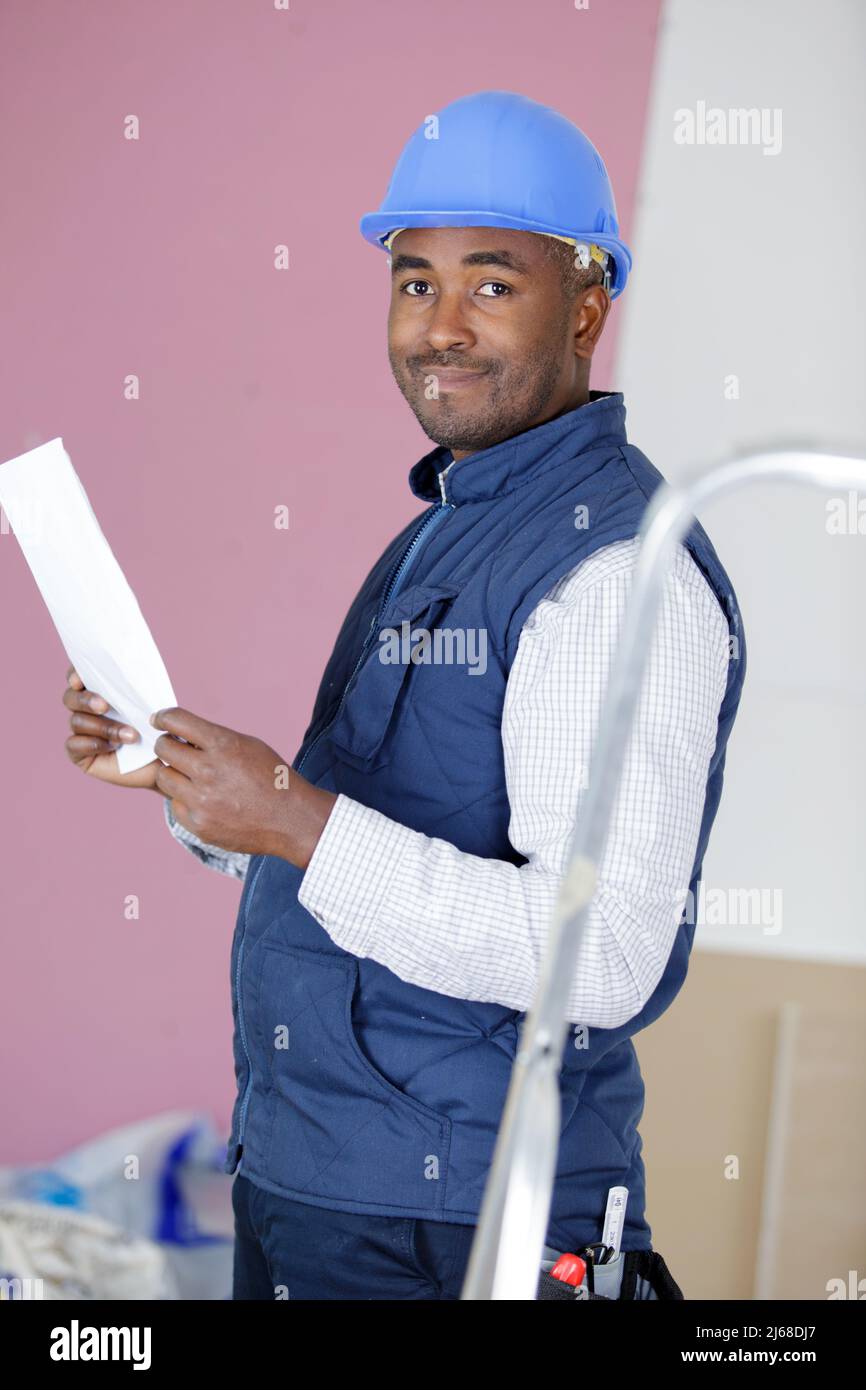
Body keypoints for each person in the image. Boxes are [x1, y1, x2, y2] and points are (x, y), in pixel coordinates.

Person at [63, 91, 746, 1301]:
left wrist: (287, 814)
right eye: (413, 281)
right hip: (322, 1184)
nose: (440, 326)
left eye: (491, 284)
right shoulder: (447, 528)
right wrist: (195, 789)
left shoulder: (605, 573)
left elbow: (600, 958)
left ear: (586, 305)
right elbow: (382, 829)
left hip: (458, 1225)